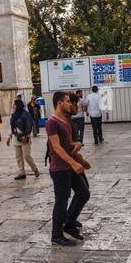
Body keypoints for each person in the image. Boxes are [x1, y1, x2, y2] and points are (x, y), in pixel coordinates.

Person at [46, 90, 91, 246]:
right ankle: (56, 235)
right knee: (61, 201)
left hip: (70, 166)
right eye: (67, 101)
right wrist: (73, 163)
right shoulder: (52, 122)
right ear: (59, 103)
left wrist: (77, 148)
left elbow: (69, 142)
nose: (71, 104)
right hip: (60, 169)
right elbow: (57, 147)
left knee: (84, 193)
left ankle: (69, 224)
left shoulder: (65, 120)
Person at [8, 98, 40, 180]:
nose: (13, 106)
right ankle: (21, 172)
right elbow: (11, 126)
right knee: (18, 157)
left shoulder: (25, 114)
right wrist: (9, 136)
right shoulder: (13, 115)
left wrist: (26, 136)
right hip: (16, 138)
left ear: (18, 105)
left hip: (24, 138)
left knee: (26, 156)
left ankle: (35, 169)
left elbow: (29, 125)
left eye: (14, 104)